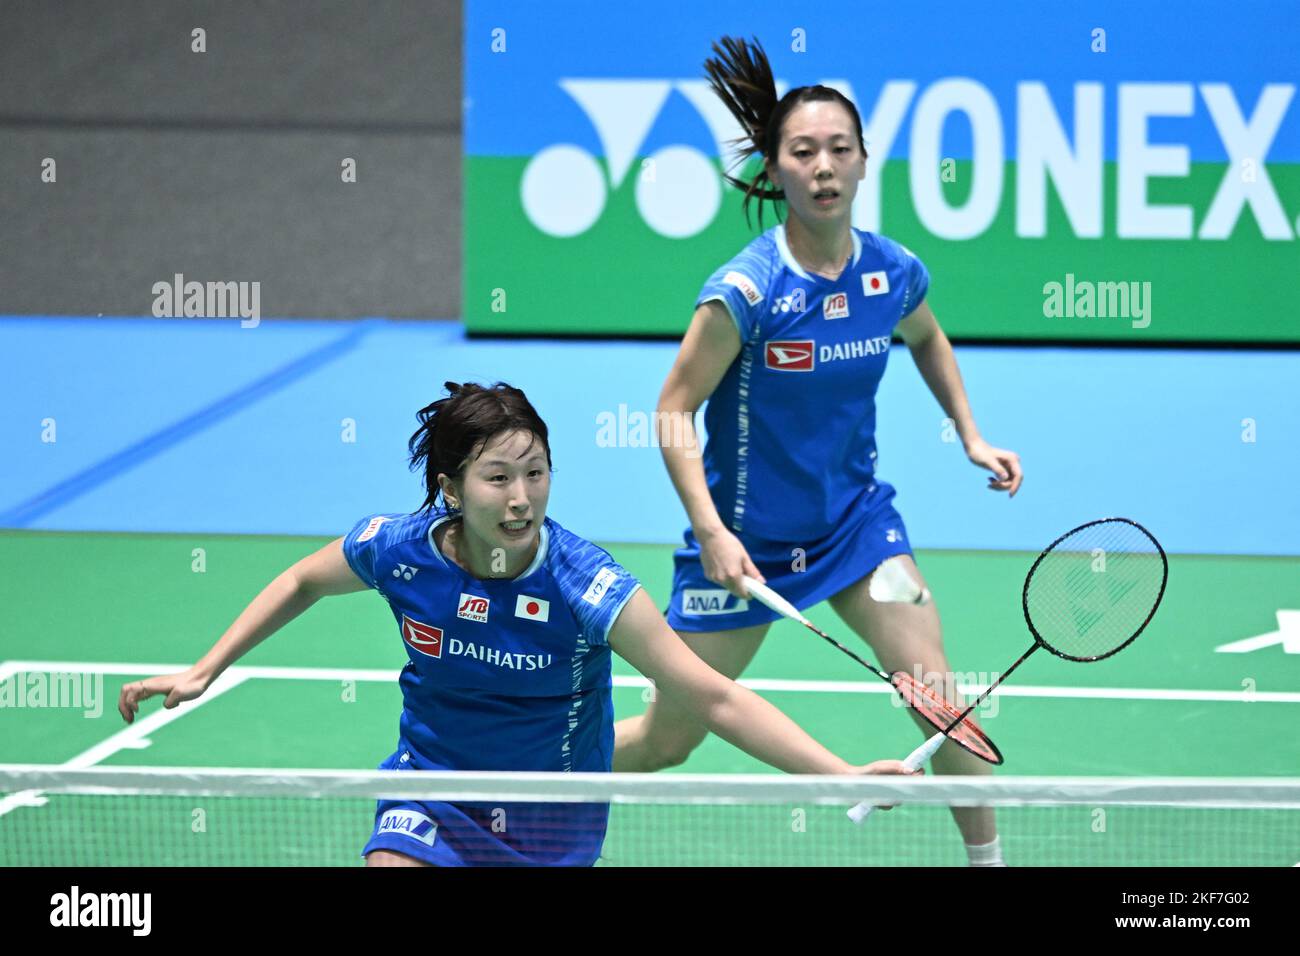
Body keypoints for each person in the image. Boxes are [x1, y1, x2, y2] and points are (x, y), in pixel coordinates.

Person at [118, 381, 914, 867]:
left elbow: (709, 696)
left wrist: (836, 772)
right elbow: (301, 580)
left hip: (550, 809)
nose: (522, 497)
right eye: (497, 477)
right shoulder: (398, 549)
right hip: (431, 785)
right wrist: (205, 667)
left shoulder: (584, 582)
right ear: (451, 487)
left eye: (536, 473)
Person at [611, 37, 1023, 867]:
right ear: (776, 168)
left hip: (855, 528)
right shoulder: (747, 293)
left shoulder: (891, 272)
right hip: (744, 548)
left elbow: (929, 339)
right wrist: (713, 531)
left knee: (938, 697)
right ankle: (507, 770)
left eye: (841, 149)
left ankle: (989, 863)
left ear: (866, 161)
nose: (824, 166)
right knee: (666, 740)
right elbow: (671, 412)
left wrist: (971, 434)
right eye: (804, 152)